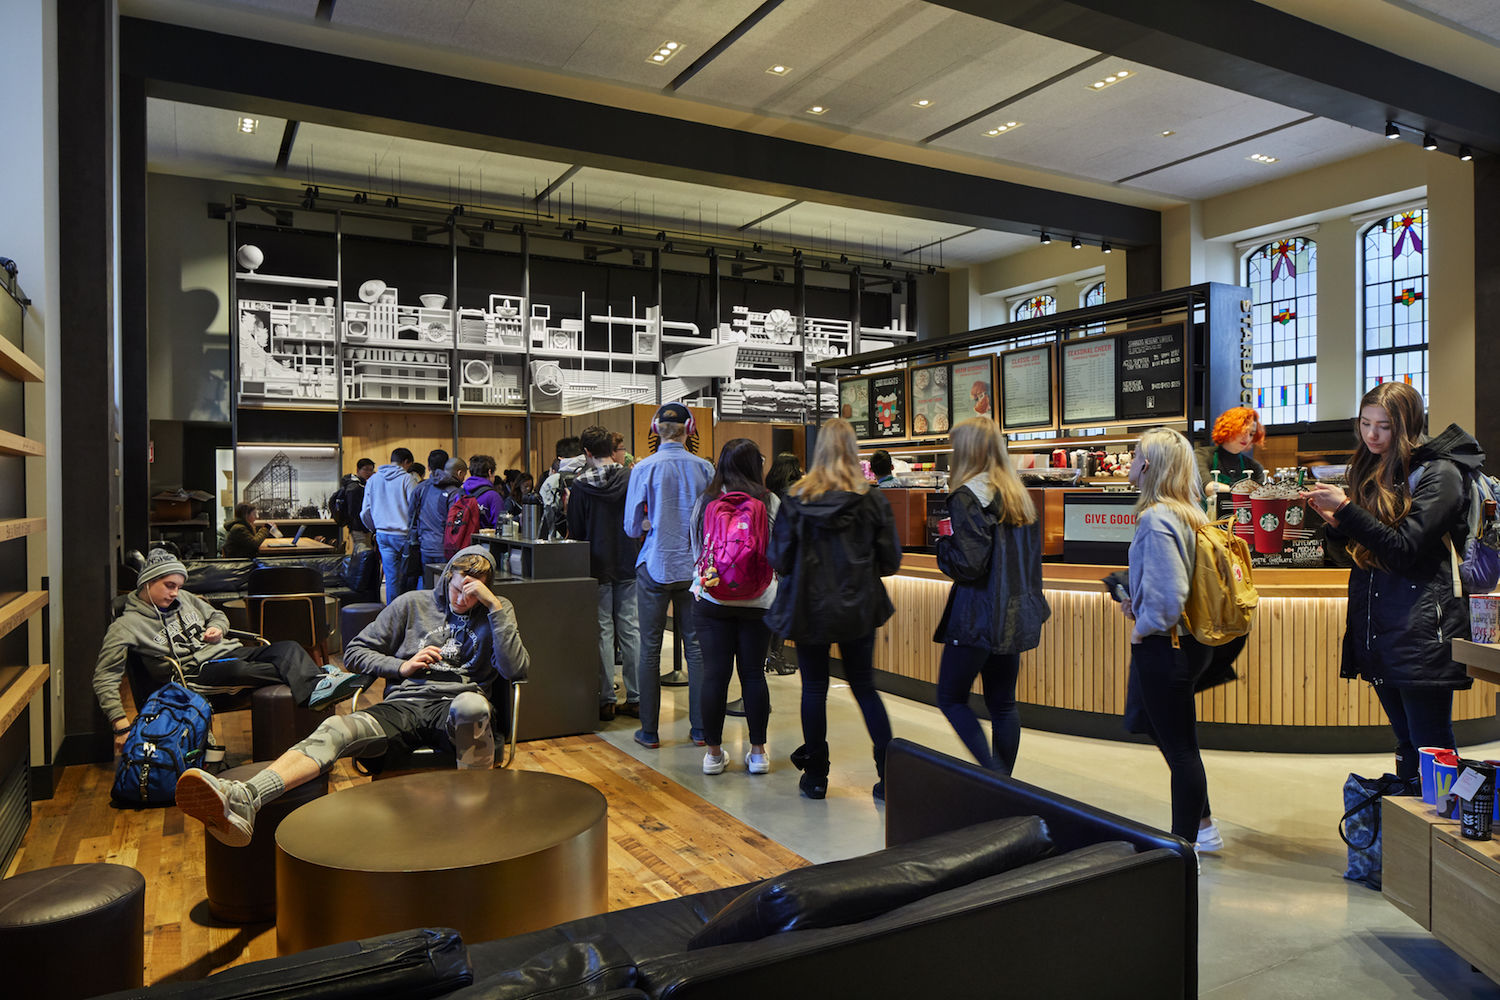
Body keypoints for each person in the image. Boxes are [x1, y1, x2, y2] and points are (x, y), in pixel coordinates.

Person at [176, 546, 530, 846]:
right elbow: (356, 652)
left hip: (457, 707)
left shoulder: (498, 611)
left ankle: (479, 831)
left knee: (472, 705)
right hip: (404, 705)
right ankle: (246, 798)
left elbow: (516, 670)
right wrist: (401, 667)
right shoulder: (412, 604)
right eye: (458, 589)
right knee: (336, 728)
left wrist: (495, 608)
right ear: (446, 577)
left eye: (474, 593)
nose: (463, 599)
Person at [1304, 383, 1481, 783]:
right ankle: (1409, 836)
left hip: (1422, 630)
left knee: (1431, 743)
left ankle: (1441, 836)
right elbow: (1347, 557)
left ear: (1408, 425)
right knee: (1405, 744)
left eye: (1383, 426)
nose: (1372, 435)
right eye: (1365, 424)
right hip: (1381, 628)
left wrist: (1348, 511)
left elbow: (1404, 549)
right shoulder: (1372, 471)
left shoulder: (1442, 473)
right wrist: (1336, 527)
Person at [95, 548, 363, 753]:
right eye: (169, 586)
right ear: (147, 582)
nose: (176, 593)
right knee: (241, 669)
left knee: (288, 648)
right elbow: (104, 676)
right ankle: (320, 681)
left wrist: (218, 629)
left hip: (224, 651)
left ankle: (316, 687)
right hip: (192, 674)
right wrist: (120, 724)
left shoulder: (186, 599)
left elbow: (218, 616)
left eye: (178, 586)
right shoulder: (126, 626)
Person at [767, 418, 902, 800]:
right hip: (859, 606)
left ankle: (816, 776)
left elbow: (779, 557)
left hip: (809, 607)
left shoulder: (795, 499)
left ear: (819, 451)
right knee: (865, 687)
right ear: (853, 451)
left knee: (814, 688)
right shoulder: (872, 500)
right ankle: (888, 774)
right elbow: (890, 561)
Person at [1120, 427, 1222, 858]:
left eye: (1135, 455)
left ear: (1149, 465)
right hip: (1191, 644)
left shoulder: (1157, 518)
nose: (1129, 462)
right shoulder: (1192, 513)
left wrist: (1142, 627)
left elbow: (1167, 598)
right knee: (1156, 726)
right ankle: (1205, 828)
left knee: (1181, 750)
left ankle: (1185, 849)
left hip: (1165, 645)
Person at [933, 418, 1049, 773]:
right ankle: (1005, 784)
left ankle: (992, 777)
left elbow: (970, 565)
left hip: (976, 617)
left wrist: (942, 548)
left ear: (966, 451)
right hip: (1014, 614)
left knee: (951, 698)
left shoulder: (967, 497)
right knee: (1003, 704)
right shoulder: (1018, 496)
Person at [624, 402, 715, 749]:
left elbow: (632, 527)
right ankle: (700, 729)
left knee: (649, 648)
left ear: (654, 428)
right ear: (690, 428)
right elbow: (710, 520)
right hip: (694, 567)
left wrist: (649, 524)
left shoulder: (643, 468)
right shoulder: (704, 468)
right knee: (696, 648)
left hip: (655, 565)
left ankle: (649, 731)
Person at [690, 438, 778, 776]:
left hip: (713, 600)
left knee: (715, 674)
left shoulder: (707, 500)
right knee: (753, 674)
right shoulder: (769, 500)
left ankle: (713, 754)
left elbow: (696, 548)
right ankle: (757, 753)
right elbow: (778, 550)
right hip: (758, 600)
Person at [568, 425, 642, 722]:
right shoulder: (631, 477)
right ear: (613, 449)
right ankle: (637, 698)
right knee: (631, 629)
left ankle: (606, 699)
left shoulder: (579, 485)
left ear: (586, 452)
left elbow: (576, 530)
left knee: (602, 631)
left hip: (595, 565)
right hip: (628, 559)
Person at [762, 451, 804, 676]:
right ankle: (776, 656)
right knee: (783, 607)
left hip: (769, 555)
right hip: (789, 557)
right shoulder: (796, 492)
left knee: (772, 607)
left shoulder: (769, 490)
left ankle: (770, 656)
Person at [361, 447, 416, 602]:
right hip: (404, 535)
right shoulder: (407, 479)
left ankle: (391, 616)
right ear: (406, 462)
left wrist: (374, 528)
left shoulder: (373, 480)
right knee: (408, 578)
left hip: (383, 535)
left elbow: (365, 511)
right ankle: (407, 615)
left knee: (391, 579)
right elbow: (414, 508)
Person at [407, 456, 467, 587]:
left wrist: (415, 539)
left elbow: (411, 516)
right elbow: (456, 523)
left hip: (424, 546)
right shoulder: (455, 492)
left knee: (426, 586)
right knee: (445, 588)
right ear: (459, 473)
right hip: (445, 549)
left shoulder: (421, 488)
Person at [1195, 406, 1266, 502]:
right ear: (1228, 429)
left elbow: (1262, 496)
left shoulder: (1255, 467)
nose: (1247, 438)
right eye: (1243, 431)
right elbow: (1209, 487)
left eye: (1251, 434)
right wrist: (1246, 492)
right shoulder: (1202, 455)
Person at [541, 437, 586, 538]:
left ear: (560, 458)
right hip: (590, 542)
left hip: (560, 542)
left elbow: (547, 517)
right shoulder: (591, 475)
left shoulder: (553, 481)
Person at [336, 458, 376, 551]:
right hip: (359, 528)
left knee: (363, 552)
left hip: (364, 527)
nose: (368, 472)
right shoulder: (355, 487)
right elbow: (353, 511)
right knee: (363, 552)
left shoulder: (364, 485)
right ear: (358, 470)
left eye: (371, 470)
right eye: (365, 469)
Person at [462, 455, 504, 529]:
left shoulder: (459, 493)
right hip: (482, 540)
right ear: (490, 472)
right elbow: (500, 527)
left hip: (460, 539)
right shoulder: (493, 496)